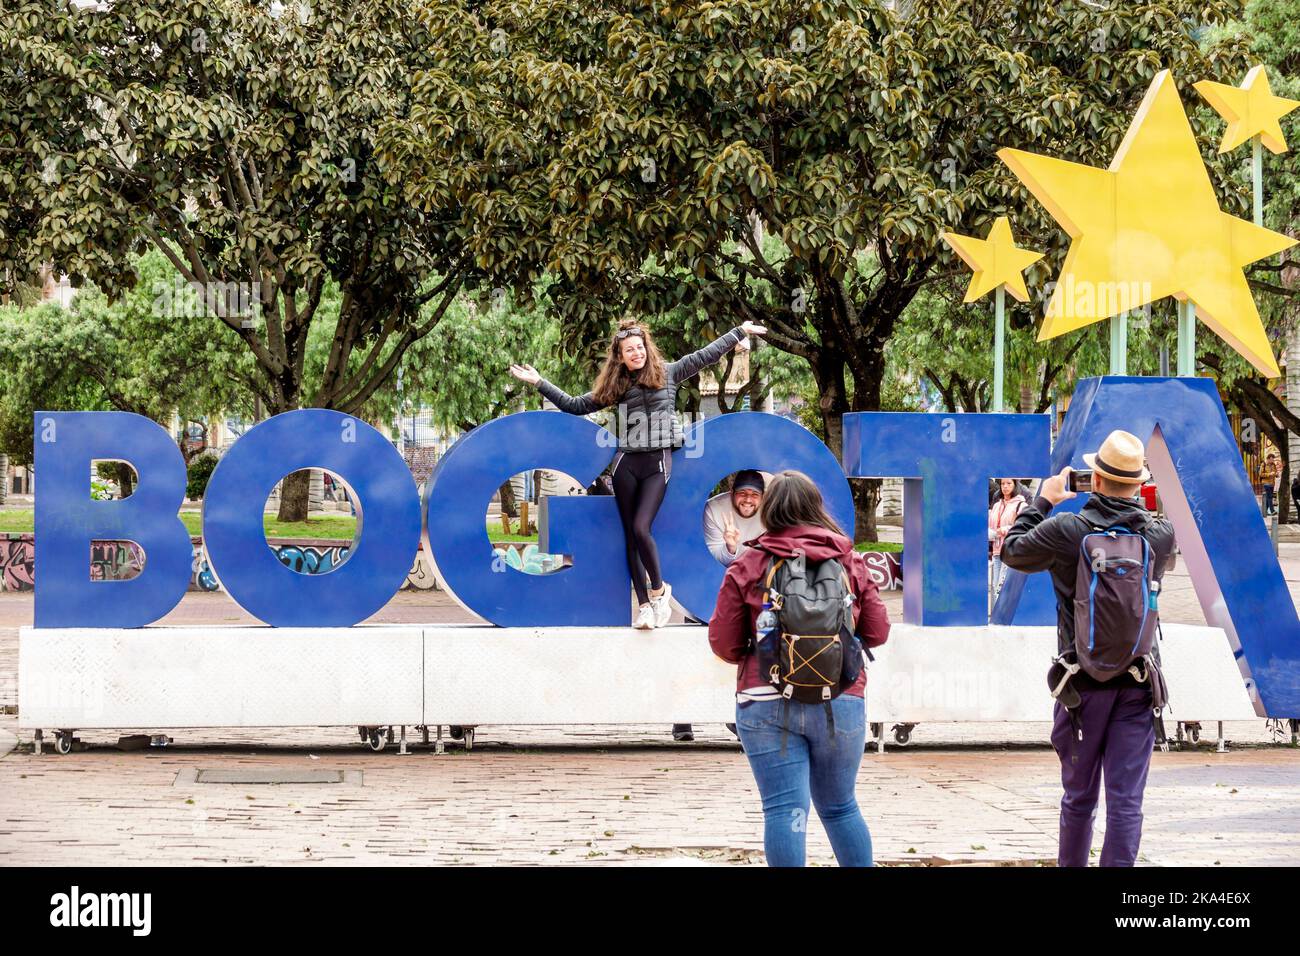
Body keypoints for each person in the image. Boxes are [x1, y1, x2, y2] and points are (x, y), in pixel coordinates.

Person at [511, 320, 764, 743]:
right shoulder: (615, 387)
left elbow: (707, 354)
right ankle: (644, 604)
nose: (636, 354)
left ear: (647, 347)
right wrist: (540, 382)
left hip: (657, 463)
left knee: (643, 527)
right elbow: (575, 405)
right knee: (629, 534)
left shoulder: (668, 373)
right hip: (627, 463)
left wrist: (739, 332)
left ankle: (660, 591)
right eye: (629, 350)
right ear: (620, 356)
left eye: (640, 347)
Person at [1000, 430, 1175, 868]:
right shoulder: (1159, 536)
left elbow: (1011, 551)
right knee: (1126, 804)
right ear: (1139, 484)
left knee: (1079, 799)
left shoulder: (1067, 531)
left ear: (1093, 480)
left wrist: (1043, 501)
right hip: (1137, 688)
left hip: (1080, 687)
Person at [708, 470, 890, 867]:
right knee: (841, 807)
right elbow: (877, 633)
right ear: (815, 507)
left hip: (764, 699)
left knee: (784, 810)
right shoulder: (849, 559)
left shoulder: (748, 562)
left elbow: (724, 643)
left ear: (770, 509)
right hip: (841, 697)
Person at [703, 470, 768, 567]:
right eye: (742, 493)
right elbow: (711, 559)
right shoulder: (714, 509)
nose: (748, 500)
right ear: (732, 492)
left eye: (755, 494)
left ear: (762, 496)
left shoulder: (772, 510)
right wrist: (730, 548)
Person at [988, 477, 1026, 605]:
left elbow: (1023, 526)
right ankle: (995, 618)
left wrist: (1002, 530)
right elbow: (991, 524)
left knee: (1002, 586)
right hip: (997, 550)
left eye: (1009, 483)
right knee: (994, 586)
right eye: (1002, 483)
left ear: (1015, 485)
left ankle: (1002, 619)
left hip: (1010, 550)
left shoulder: (1021, 505)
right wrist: (990, 532)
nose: (1005, 486)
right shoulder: (997, 505)